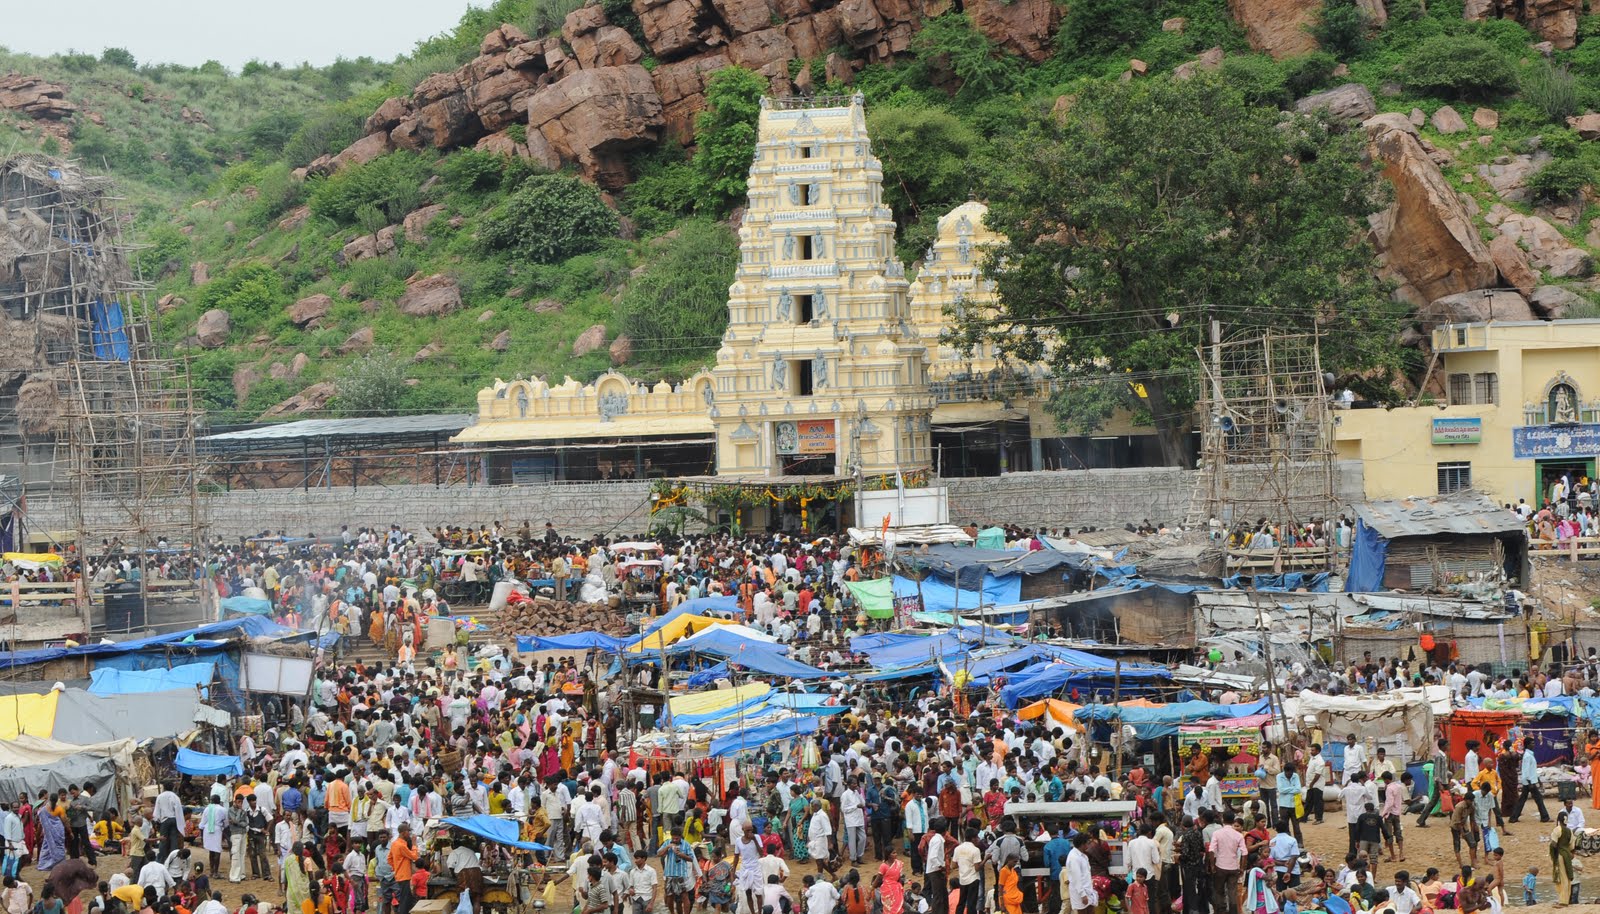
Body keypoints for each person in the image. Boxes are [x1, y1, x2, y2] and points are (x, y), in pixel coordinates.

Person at [1065, 832, 1098, 914]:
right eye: (1088, 843)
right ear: (1082, 844)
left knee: (1091, 911)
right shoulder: (1074, 858)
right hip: (1080, 892)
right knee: (1083, 911)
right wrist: (1083, 895)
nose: (1089, 845)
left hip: (1088, 889)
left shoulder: (1083, 856)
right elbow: (1077, 879)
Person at [1550, 811, 1574, 907]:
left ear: (1559, 819)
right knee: (1567, 877)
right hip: (1567, 855)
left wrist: (1553, 853)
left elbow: (1553, 843)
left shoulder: (1557, 829)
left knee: (1562, 877)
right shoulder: (1569, 831)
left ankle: (1563, 901)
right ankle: (1565, 899)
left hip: (1560, 855)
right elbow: (1572, 846)